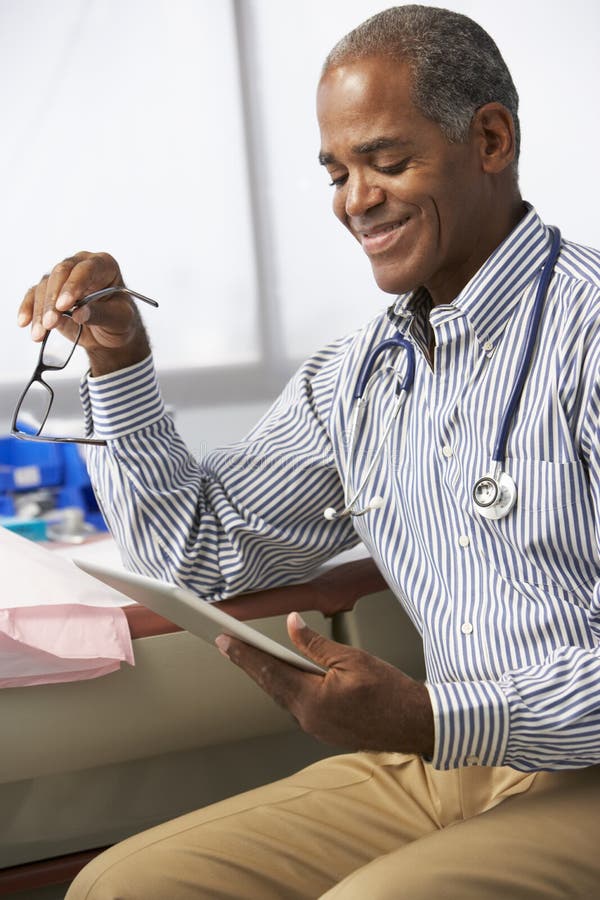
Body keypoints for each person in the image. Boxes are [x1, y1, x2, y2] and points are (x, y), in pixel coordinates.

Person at [18, 6, 600, 898]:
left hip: (574, 772)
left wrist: (437, 713)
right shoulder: (356, 379)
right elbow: (197, 552)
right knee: (125, 884)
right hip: (440, 761)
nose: (355, 200)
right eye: (336, 172)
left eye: (387, 161)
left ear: (490, 139)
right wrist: (120, 362)